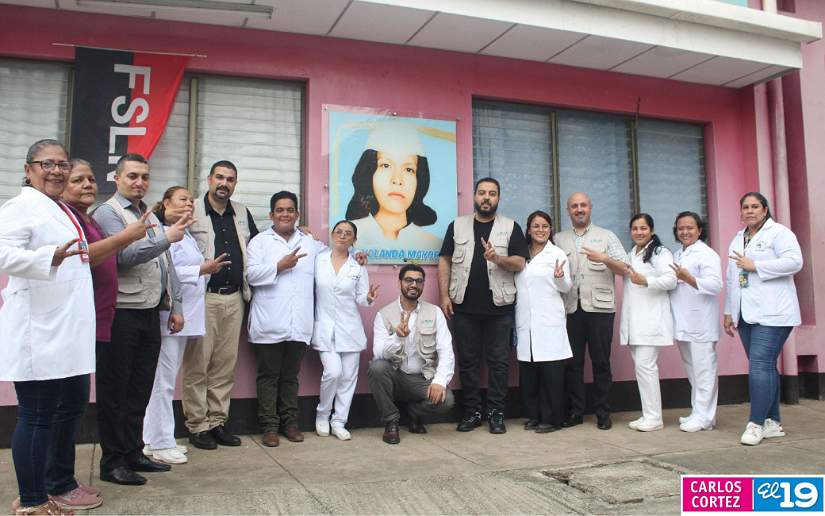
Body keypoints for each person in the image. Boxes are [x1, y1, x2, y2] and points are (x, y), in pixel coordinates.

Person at [0, 140, 95, 515]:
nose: (56, 171)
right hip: (38, 330)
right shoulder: (20, 207)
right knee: (36, 415)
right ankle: (32, 501)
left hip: (65, 329)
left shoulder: (58, 207)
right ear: (29, 170)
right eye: (47, 164)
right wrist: (47, 257)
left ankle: (54, 485)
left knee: (68, 407)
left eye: (62, 164)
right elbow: (3, 253)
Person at [93, 153, 191, 486]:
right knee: (115, 391)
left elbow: (167, 263)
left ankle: (134, 452)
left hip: (150, 311)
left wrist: (176, 304)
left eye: (144, 177)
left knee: (140, 388)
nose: (139, 182)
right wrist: (166, 237)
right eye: (132, 176)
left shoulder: (145, 212)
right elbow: (122, 256)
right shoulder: (108, 213)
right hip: (121, 312)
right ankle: (112, 462)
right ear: (117, 178)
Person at [142, 187, 231, 464]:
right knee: (163, 382)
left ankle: (155, 440)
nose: (189, 205)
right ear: (166, 203)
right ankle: (160, 442)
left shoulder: (186, 234)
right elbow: (164, 271)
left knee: (166, 381)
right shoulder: (160, 233)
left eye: (191, 201)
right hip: (171, 316)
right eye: (182, 200)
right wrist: (202, 269)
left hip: (187, 316)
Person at [438, 177, 528, 434]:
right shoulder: (457, 225)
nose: (486, 197)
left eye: (492, 193)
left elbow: (520, 263)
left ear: (498, 198)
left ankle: (496, 413)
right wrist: (444, 296)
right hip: (464, 307)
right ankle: (472, 412)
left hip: (500, 309)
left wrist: (497, 258)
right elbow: (445, 260)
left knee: (499, 363)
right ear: (474, 196)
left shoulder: (511, 227)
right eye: (482, 193)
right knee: (468, 363)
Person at [183, 160, 258, 450]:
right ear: (209, 179)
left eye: (230, 179)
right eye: (220, 177)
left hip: (235, 298)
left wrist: (300, 233)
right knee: (198, 365)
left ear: (235, 184)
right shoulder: (192, 210)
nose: (224, 183)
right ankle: (197, 425)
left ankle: (217, 422)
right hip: (204, 297)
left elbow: (259, 246)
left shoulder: (242, 212)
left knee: (224, 366)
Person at [246, 191, 326, 447]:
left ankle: (290, 423)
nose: (285, 214)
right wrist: (279, 266)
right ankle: (269, 426)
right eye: (280, 210)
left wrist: (356, 256)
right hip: (269, 321)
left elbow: (333, 256)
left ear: (297, 214)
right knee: (268, 376)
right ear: (271, 214)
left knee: (291, 376)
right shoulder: (259, 242)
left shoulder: (309, 242)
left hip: (299, 323)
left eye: (290, 210)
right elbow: (250, 275)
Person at [723, 192, 802, 446]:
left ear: (765, 210)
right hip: (746, 313)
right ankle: (773, 422)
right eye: (745, 207)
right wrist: (728, 310)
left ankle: (755, 423)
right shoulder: (738, 238)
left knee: (759, 366)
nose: (749, 211)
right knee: (765, 366)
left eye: (755, 206)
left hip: (774, 312)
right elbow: (732, 277)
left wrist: (756, 265)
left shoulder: (779, 233)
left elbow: (795, 262)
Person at [554, 192, 628, 431]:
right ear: (568, 210)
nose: (579, 209)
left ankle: (603, 412)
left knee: (601, 362)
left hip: (600, 309)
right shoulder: (558, 239)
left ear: (590, 207)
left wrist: (605, 258)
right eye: (574, 206)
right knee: (572, 364)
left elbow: (625, 268)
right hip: (570, 309)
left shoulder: (607, 236)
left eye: (583, 205)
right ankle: (576, 411)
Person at [368, 264, 455, 444]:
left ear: (423, 285)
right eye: (408, 280)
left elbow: (446, 350)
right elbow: (378, 353)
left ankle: (413, 413)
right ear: (399, 282)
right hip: (396, 376)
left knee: (447, 401)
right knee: (377, 368)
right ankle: (391, 422)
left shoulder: (435, 312)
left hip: (422, 379)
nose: (414, 285)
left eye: (418, 281)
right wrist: (397, 337)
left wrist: (439, 381)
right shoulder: (383, 314)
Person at [312, 220, 379, 441]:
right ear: (332, 235)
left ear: (354, 240)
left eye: (348, 233)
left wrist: (369, 297)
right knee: (333, 372)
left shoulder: (357, 266)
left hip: (350, 330)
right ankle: (322, 414)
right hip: (324, 328)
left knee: (348, 378)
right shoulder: (318, 260)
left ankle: (339, 421)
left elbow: (362, 298)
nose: (342, 236)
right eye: (339, 232)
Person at [616, 213, 677, 432]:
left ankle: (654, 417)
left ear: (651, 230)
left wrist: (646, 280)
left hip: (651, 321)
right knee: (642, 369)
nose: (639, 232)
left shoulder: (660, 253)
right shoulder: (632, 253)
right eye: (635, 228)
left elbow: (671, 280)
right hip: (635, 322)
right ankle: (648, 414)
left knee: (646, 368)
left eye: (643, 228)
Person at [515, 211, 572, 433]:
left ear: (550, 229)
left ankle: (553, 418)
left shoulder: (556, 253)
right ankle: (534, 415)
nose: (541, 230)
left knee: (551, 374)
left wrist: (559, 277)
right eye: (536, 226)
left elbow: (566, 287)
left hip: (549, 321)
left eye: (545, 226)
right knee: (530, 373)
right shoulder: (521, 254)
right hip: (525, 321)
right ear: (529, 230)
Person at [346, 123, 441, 250]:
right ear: (369, 173)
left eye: (409, 169)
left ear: (419, 180)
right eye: (386, 165)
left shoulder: (433, 244)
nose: (397, 180)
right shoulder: (346, 238)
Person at [669, 211, 722, 433]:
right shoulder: (677, 254)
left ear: (700, 230)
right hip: (683, 322)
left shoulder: (707, 254)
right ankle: (698, 412)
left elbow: (715, 285)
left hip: (701, 322)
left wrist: (689, 278)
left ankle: (705, 418)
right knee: (693, 370)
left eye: (690, 228)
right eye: (680, 228)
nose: (685, 232)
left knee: (704, 371)